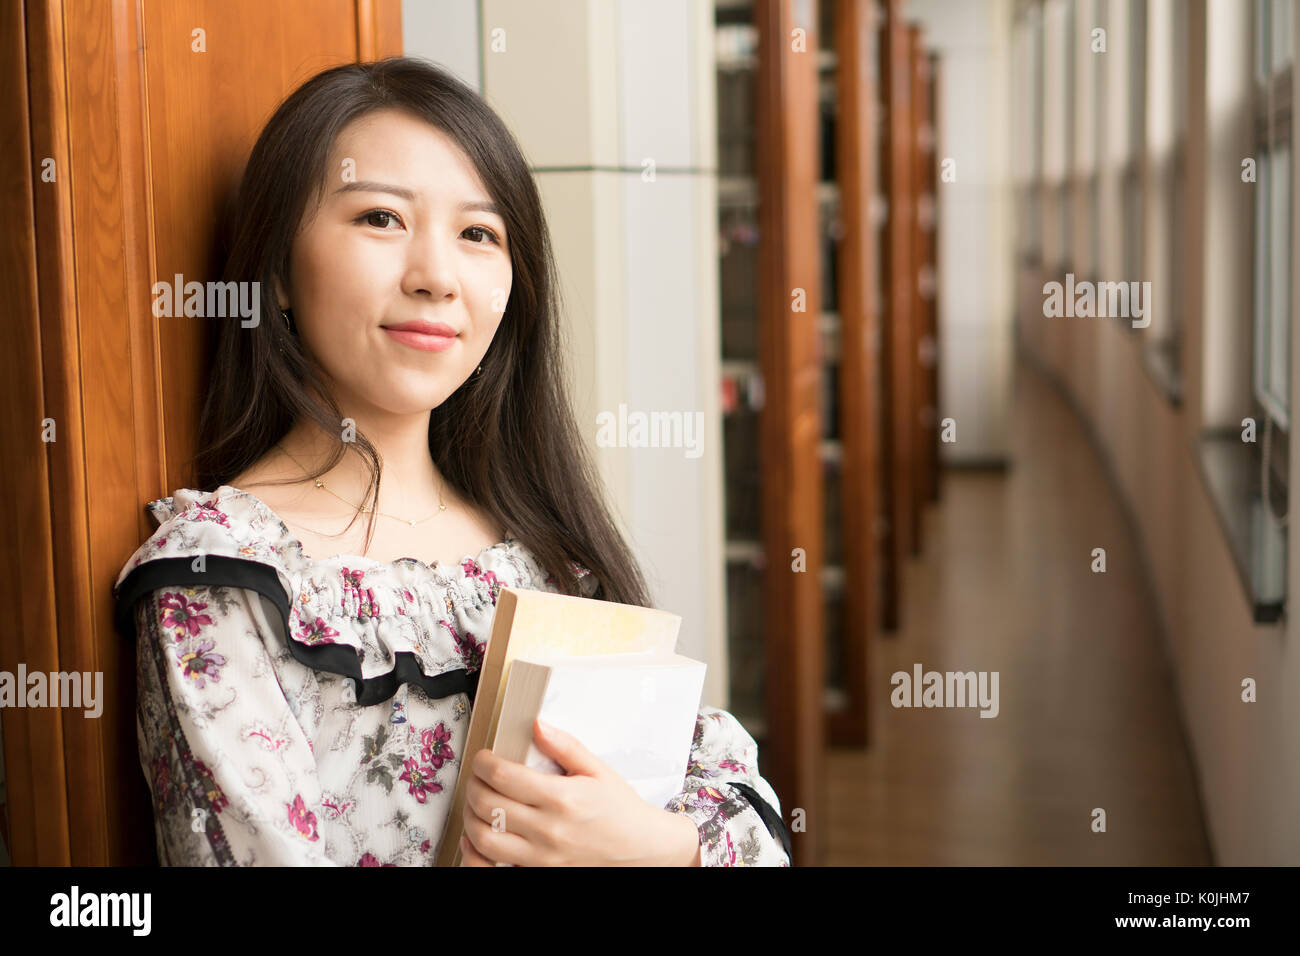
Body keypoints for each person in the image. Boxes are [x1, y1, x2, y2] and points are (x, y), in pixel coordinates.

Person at [112, 57, 790, 867]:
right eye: (380, 219)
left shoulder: (546, 548)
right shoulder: (222, 575)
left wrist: (662, 846)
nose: (436, 278)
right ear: (279, 270)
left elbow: (731, 792)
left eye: (478, 234)